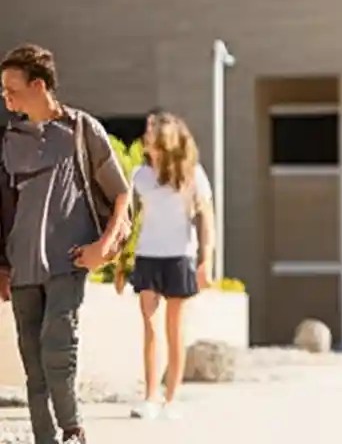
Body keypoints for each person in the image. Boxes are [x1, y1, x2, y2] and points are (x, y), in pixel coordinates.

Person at [0, 44, 132, 444]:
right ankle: (45, 437)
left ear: (38, 85)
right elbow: (4, 209)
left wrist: (103, 248)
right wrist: (3, 267)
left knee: (57, 351)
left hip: (66, 263)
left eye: (11, 89)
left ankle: (72, 430)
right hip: (22, 267)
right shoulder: (9, 139)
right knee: (33, 364)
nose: (5, 97)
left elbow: (122, 196)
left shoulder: (81, 130)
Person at [126, 112, 215, 420]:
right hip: (148, 256)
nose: (146, 137)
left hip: (179, 257)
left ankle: (171, 399)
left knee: (174, 329)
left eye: (152, 133)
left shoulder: (193, 175)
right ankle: (150, 397)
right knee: (150, 327)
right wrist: (124, 260)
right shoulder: (139, 176)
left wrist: (207, 260)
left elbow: (207, 219)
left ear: (166, 141)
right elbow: (130, 221)